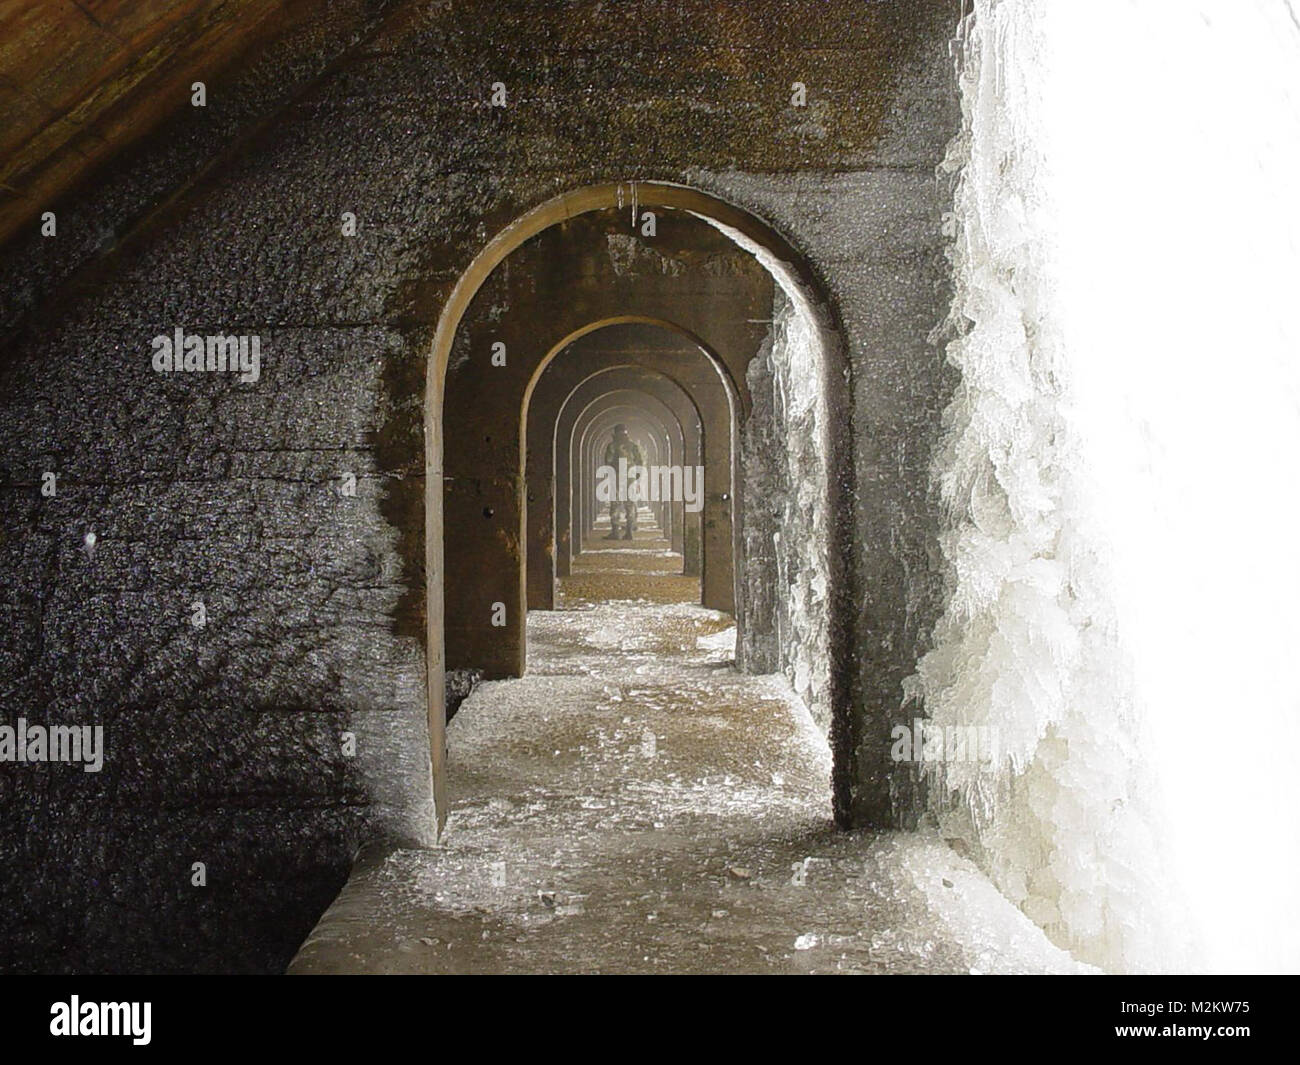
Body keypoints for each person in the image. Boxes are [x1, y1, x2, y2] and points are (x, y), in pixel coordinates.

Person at [603, 424, 644, 540]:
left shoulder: (612, 446)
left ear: (615, 433)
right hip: (630, 478)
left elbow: (608, 462)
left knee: (615, 504)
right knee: (630, 504)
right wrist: (637, 476)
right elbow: (640, 462)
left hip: (616, 477)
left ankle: (615, 532)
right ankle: (629, 532)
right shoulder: (633, 446)